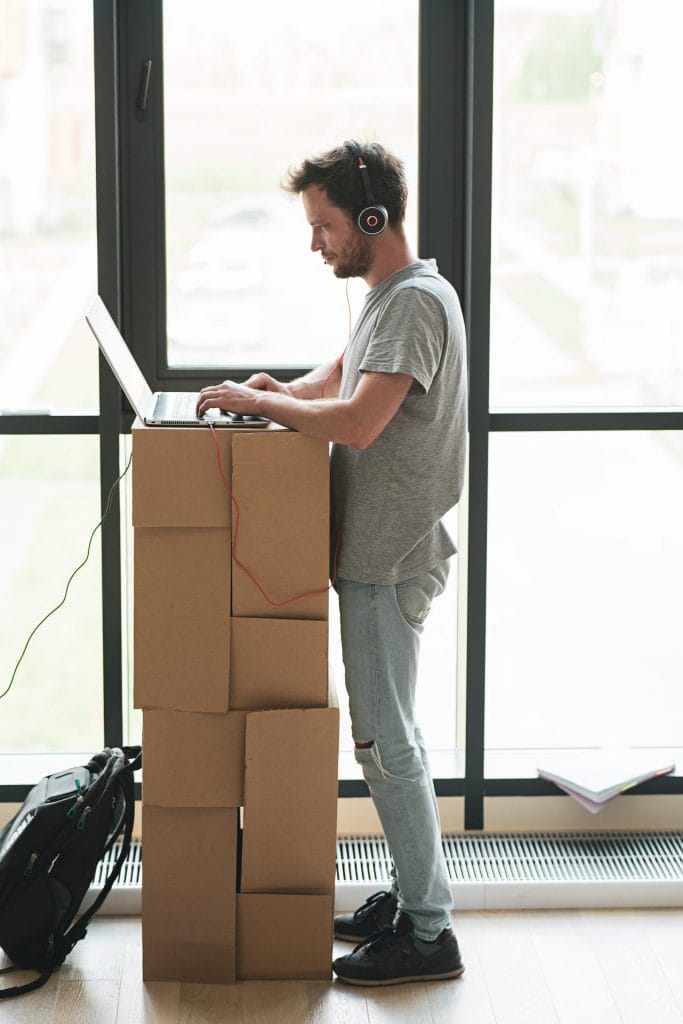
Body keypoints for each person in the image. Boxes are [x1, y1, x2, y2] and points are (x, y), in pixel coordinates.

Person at [197, 140, 468, 986]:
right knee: (394, 737)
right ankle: (410, 896)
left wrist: (263, 406)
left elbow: (357, 422)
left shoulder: (413, 302)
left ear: (371, 219)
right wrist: (279, 393)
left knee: (385, 745)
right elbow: (340, 377)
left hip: (387, 560)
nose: (314, 243)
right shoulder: (390, 296)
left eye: (323, 225)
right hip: (379, 553)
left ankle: (428, 931)